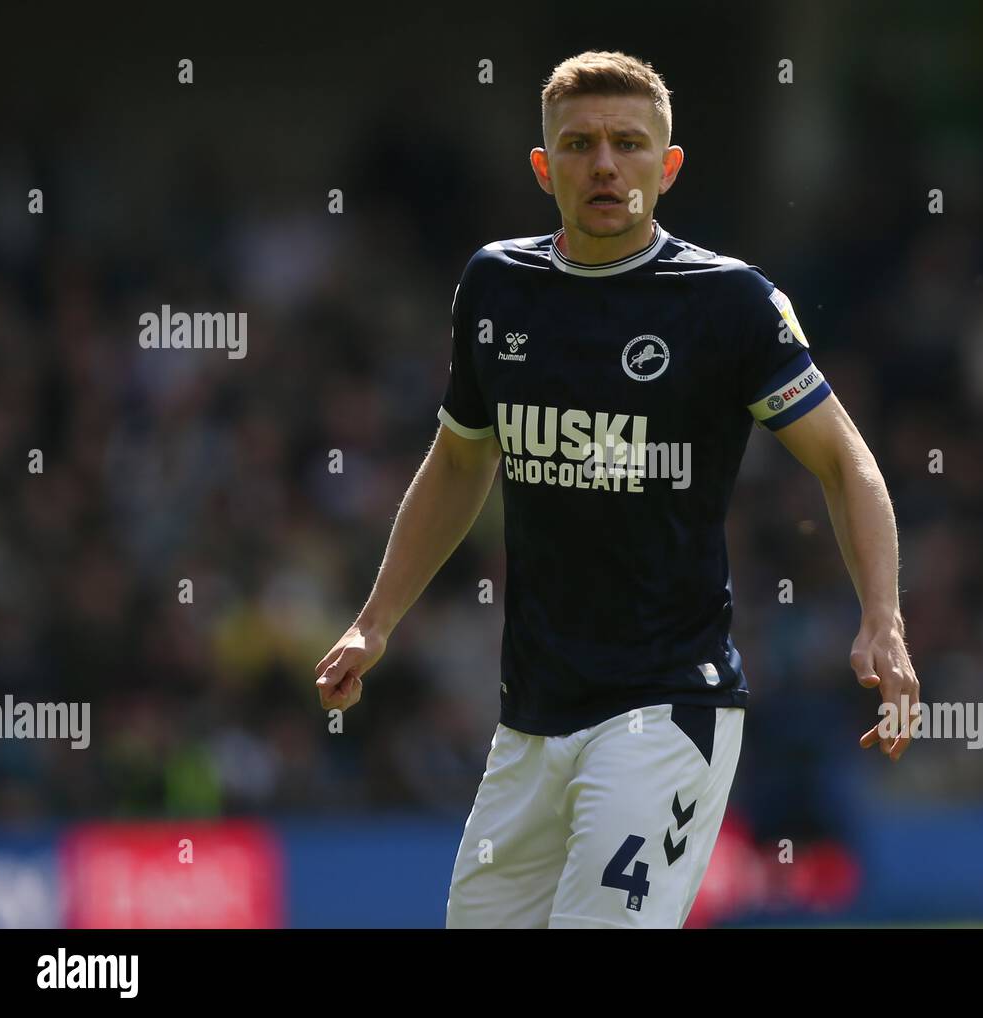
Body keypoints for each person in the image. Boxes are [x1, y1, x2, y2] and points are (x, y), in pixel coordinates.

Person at [314, 49, 920, 929]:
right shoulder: (495, 286)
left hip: (669, 709)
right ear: (543, 166)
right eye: (581, 143)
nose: (605, 164)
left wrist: (884, 619)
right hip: (529, 719)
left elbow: (847, 463)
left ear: (667, 167)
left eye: (629, 144)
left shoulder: (728, 304)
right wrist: (375, 621)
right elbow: (458, 461)